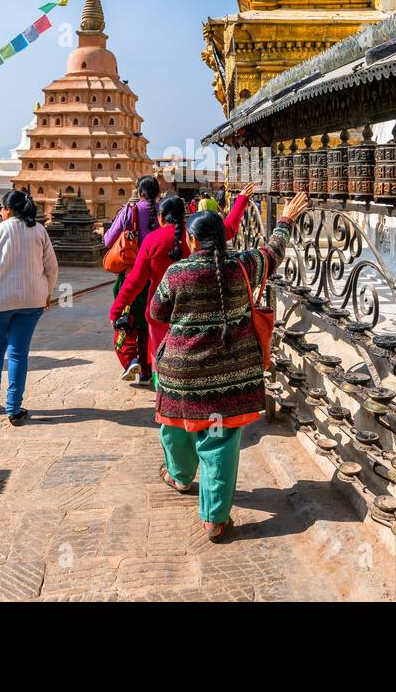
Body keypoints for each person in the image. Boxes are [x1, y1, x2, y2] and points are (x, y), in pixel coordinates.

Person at [149, 191, 309, 541]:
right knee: (219, 443)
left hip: (180, 372)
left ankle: (178, 476)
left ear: (191, 240)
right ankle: (214, 518)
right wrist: (286, 220)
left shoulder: (177, 273)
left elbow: (156, 312)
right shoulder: (243, 266)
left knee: (175, 426)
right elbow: (274, 252)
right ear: (224, 238)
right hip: (230, 376)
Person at [110, 184, 255, 385]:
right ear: (184, 215)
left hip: (161, 313)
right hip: (198, 310)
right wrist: (242, 200)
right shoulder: (197, 234)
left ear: (161, 217)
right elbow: (228, 228)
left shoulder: (152, 241)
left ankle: (165, 398)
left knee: (162, 361)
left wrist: (116, 311)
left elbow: (134, 281)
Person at [0, 189, 58, 424]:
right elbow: (52, 268)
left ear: (7, 209)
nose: (1, 213)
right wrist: (47, 292)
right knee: (18, 353)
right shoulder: (39, 231)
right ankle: (14, 409)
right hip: (32, 299)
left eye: (2, 209)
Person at [103, 176, 161, 382]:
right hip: (157, 277)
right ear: (158, 193)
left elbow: (108, 239)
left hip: (131, 274)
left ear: (138, 191)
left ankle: (130, 360)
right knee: (148, 323)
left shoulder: (129, 211)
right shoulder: (164, 212)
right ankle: (147, 368)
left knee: (125, 320)